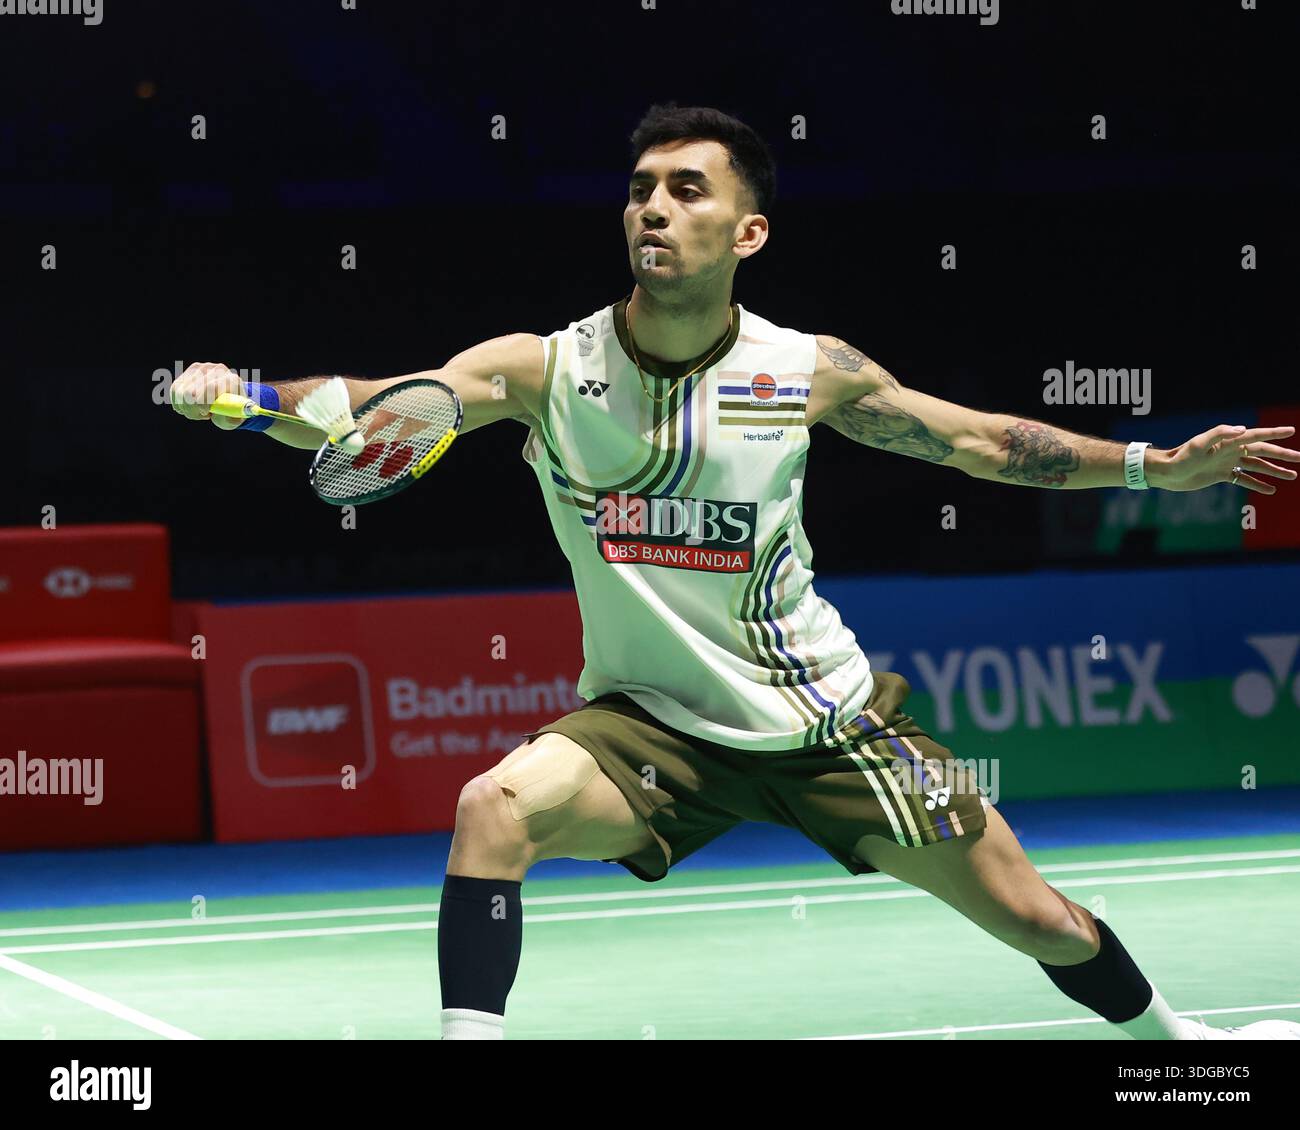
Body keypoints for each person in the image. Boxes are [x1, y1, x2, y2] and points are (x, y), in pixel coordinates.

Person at [171, 102, 1299, 1042]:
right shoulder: (547, 370)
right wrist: (243, 397)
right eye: (640, 187)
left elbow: (983, 444)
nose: (653, 206)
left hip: (825, 723)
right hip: (649, 726)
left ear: (747, 233)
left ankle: (1176, 1048)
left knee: (1041, 919)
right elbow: (371, 411)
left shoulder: (805, 371)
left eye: (687, 189)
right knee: (493, 808)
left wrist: (1158, 465)